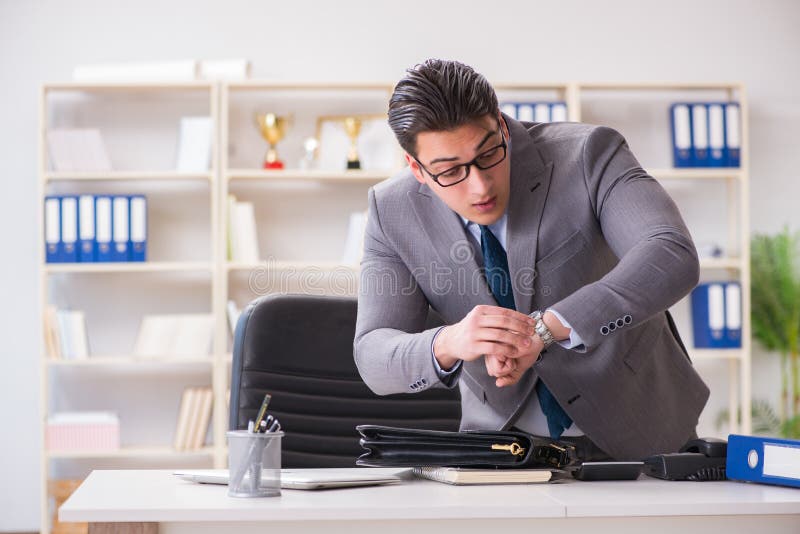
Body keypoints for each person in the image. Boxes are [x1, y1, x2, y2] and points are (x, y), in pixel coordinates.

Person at [354, 58, 709, 461]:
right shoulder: (392, 210)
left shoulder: (589, 153)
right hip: (501, 449)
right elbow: (373, 355)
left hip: (640, 423)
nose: (480, 185)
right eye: (450, 171)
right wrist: (450, 341)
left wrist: (544, 329)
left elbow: (670, 252)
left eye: (489, 153)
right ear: (417, 169)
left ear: (502, 127)